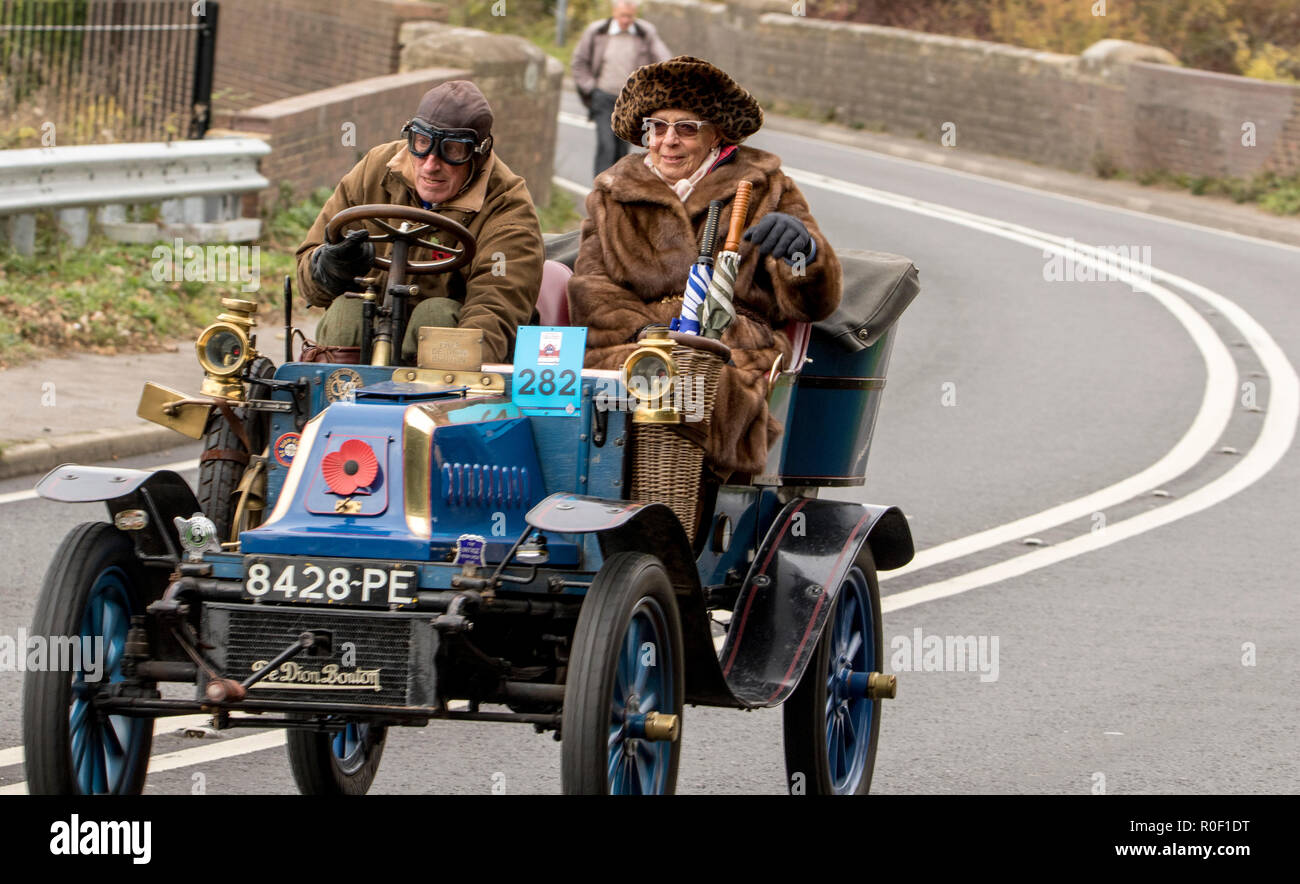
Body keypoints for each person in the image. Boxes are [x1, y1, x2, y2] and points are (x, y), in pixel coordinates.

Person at [567, 56, 842, 476]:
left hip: (733, 348)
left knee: (691, 385)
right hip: (631, 342)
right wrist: (648, 335)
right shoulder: (612, 193)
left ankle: (674, 520)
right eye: (657, 127)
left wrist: (802, 252)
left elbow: (812, 307)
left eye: (686, 128)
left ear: (717, 135)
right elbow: (591, 286)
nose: (668, 141)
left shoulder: (768, 187)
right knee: (562, 396)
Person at [295, 80, 544, 365]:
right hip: (367, 336)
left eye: (451, 150)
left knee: (435, 316)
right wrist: (329, 267)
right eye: (422, 143)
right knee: (346, 313)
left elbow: (494, 311)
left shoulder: (508, 209)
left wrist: (457, 372)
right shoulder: (375, 169)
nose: (430, 165)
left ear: (479, 152)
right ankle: (335, 399)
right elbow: (307, 275)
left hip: (443, 361)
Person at [571, 1, 671, 178]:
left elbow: (664, 59)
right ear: (614, 12)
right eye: (622, 15)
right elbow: (579, 62)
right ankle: (600, 190)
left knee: (621, 148)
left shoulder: (644, 32)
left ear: (636, 14)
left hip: (630, 101)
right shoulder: (597, 31)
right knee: (606, 145)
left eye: (630, 16)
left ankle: (616, 192)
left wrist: (654, 86)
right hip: (603, 96)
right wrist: (591, 88)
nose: (626, 20)